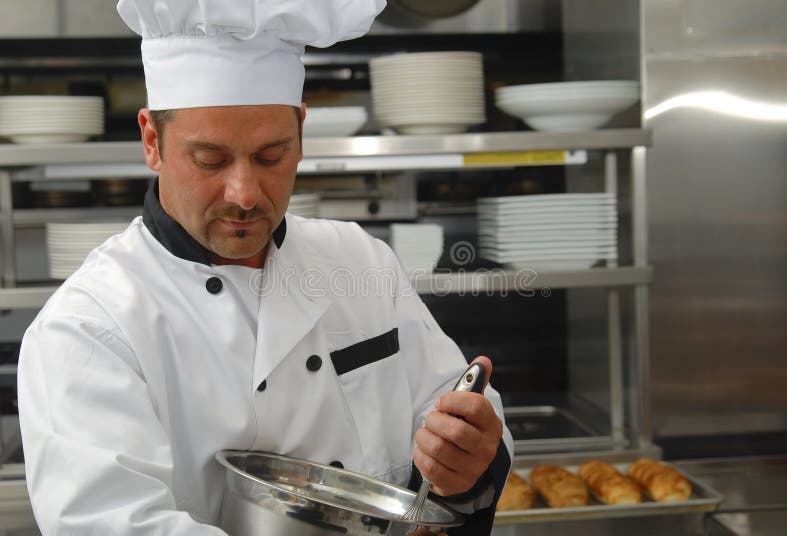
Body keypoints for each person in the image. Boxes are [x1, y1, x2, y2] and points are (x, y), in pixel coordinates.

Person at [17, 0, 513, 534]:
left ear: (301, 134)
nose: (245, 194)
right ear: (152, 141)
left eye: (271, 156)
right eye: (210, 160)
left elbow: (452, 418)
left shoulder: (358, 261)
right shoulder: (89, 328)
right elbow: (109, 523)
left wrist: (467, 464)